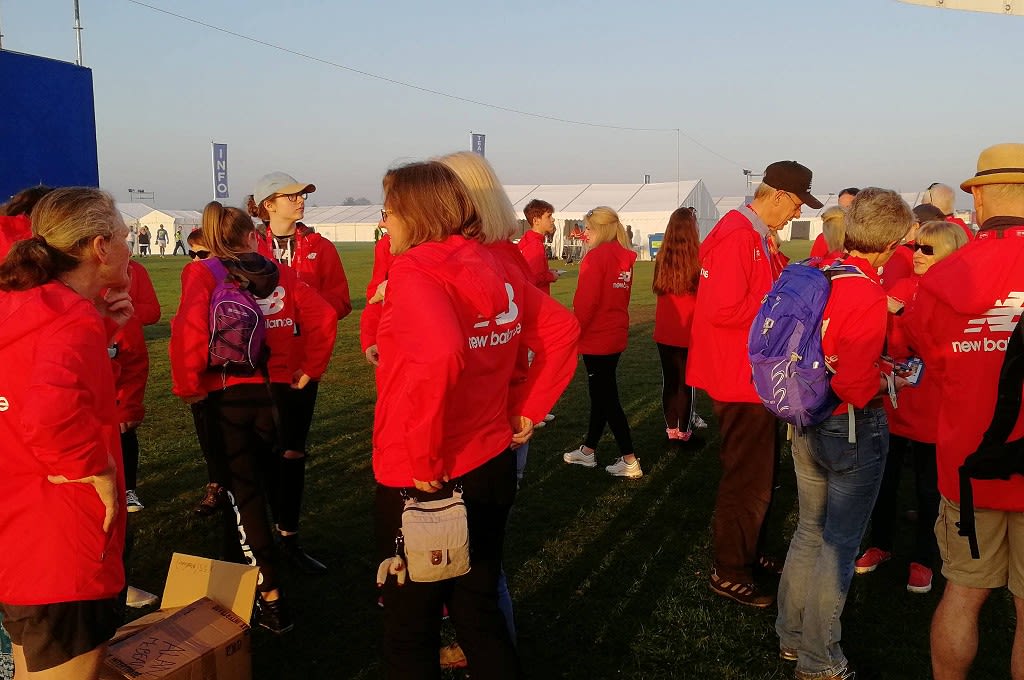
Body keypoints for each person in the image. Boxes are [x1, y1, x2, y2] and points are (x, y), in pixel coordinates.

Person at [373, 161, 578, 678]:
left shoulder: (416, 269)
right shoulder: (492, 262)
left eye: (389, 208)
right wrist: (526, 410)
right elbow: (561, 331)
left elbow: (441, 353)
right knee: (478, 610)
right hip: (489, 462)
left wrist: (423, 458)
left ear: (414, 213)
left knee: (409, 628)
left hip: (423, 474)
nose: (384, 219)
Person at [170, 202, 337, 634]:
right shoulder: (279, 272)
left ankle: (272, 597)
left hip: (225, 396)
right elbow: (324, 318)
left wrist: (188, 386)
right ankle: (241, 573)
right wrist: (311, 367)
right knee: (253, 488)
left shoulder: (202, 273)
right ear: (250, 237)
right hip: (272, 393)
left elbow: (188, 332)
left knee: (244, 496)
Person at [776, 187, 913, 680]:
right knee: (839, 544)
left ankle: (791, 636)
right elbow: (855, 384)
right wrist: (891, 376)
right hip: (850, 425)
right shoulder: (866, 291)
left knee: (809, 531)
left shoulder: (818, 272)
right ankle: (819, 657)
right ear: (891, 242)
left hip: (805, 415)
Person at [902, 143, 1024, 680]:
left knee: (963, 592)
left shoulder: (943, 278)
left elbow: (933, 358)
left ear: (978, 202)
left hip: (967, 467)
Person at [0, 187, 131, 679]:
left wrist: (104, 330)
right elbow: (48, 416)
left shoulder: (26, 305)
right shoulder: (68, 319)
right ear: (99, 248)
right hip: (64, 548)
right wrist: (94, 469)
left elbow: (30, 380)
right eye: (123, 236)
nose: (129, 247)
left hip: (22, 535)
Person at [688, 160, 821, 607]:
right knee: (748, 478)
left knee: (761, 473)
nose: (795, 215)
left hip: (747, 375)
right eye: (796, 205)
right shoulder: (738, 237)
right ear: (778, 196)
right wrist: (781, 310)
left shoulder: (751, 235)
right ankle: (729, 569)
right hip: (738, 379)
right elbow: (723, 310)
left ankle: (750, 552)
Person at [855, 220, 967, 595]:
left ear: (950, 253)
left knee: (928, 488)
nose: (916, 254)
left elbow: (943, 348)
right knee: (883, 480)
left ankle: (924, 558)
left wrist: (903, 316)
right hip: (895, 397)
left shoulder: (958, 296)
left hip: (935, 402)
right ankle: (881, 544)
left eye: (927, 249)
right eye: (917, 246)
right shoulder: (902, 286)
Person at [249, 172, 352, 574]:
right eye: (290, 196)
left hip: (301, 369)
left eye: (302, 195)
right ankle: (255, 542)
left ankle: (289, 536)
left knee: (292, 451)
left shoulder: (319, 247)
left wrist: (301, 303)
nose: (300, 201)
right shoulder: (250, 245)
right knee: (256, 455)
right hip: (255, 367)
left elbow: (341, 302)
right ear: (267, 205)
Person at [562, 206, 641, 477]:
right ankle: (588, 450)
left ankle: (629, 459)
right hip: (615, 332)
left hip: (598, 336)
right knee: (601, 394)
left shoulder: (597, 257)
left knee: (606, 397)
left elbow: (586, 301)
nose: (585, 234)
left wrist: (574, 333)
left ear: (600, 229)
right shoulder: (623, 256)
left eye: (588, 228)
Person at [113, 259, 161, 512]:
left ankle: (128, 487)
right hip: (83, 351)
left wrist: (126, 312)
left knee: (123, 426)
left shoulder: (135, 269)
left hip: (125, 351)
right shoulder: (71, 266)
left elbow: (153, 311)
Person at [652, 207, 701, 444]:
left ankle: (671, 429)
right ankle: (684, 431)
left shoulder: (662, 258)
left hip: (665, 329)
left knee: (670, 381)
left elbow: (657, 287)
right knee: (686, 382)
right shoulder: (698, 259)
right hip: (688, 329)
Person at [519, 199, 560, 295]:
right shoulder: (535, 245)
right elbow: (533, 277)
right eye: (549, 216)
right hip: (537, 300)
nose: (553, 219)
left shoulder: (527, 240)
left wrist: (547, 271)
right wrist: (551, 276)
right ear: (536, 221)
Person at [810, 188, 857, 257]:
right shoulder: (824, 238)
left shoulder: (869, 237)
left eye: (848, 207)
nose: (843, 211)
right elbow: (813, 264)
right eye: (840, 207)